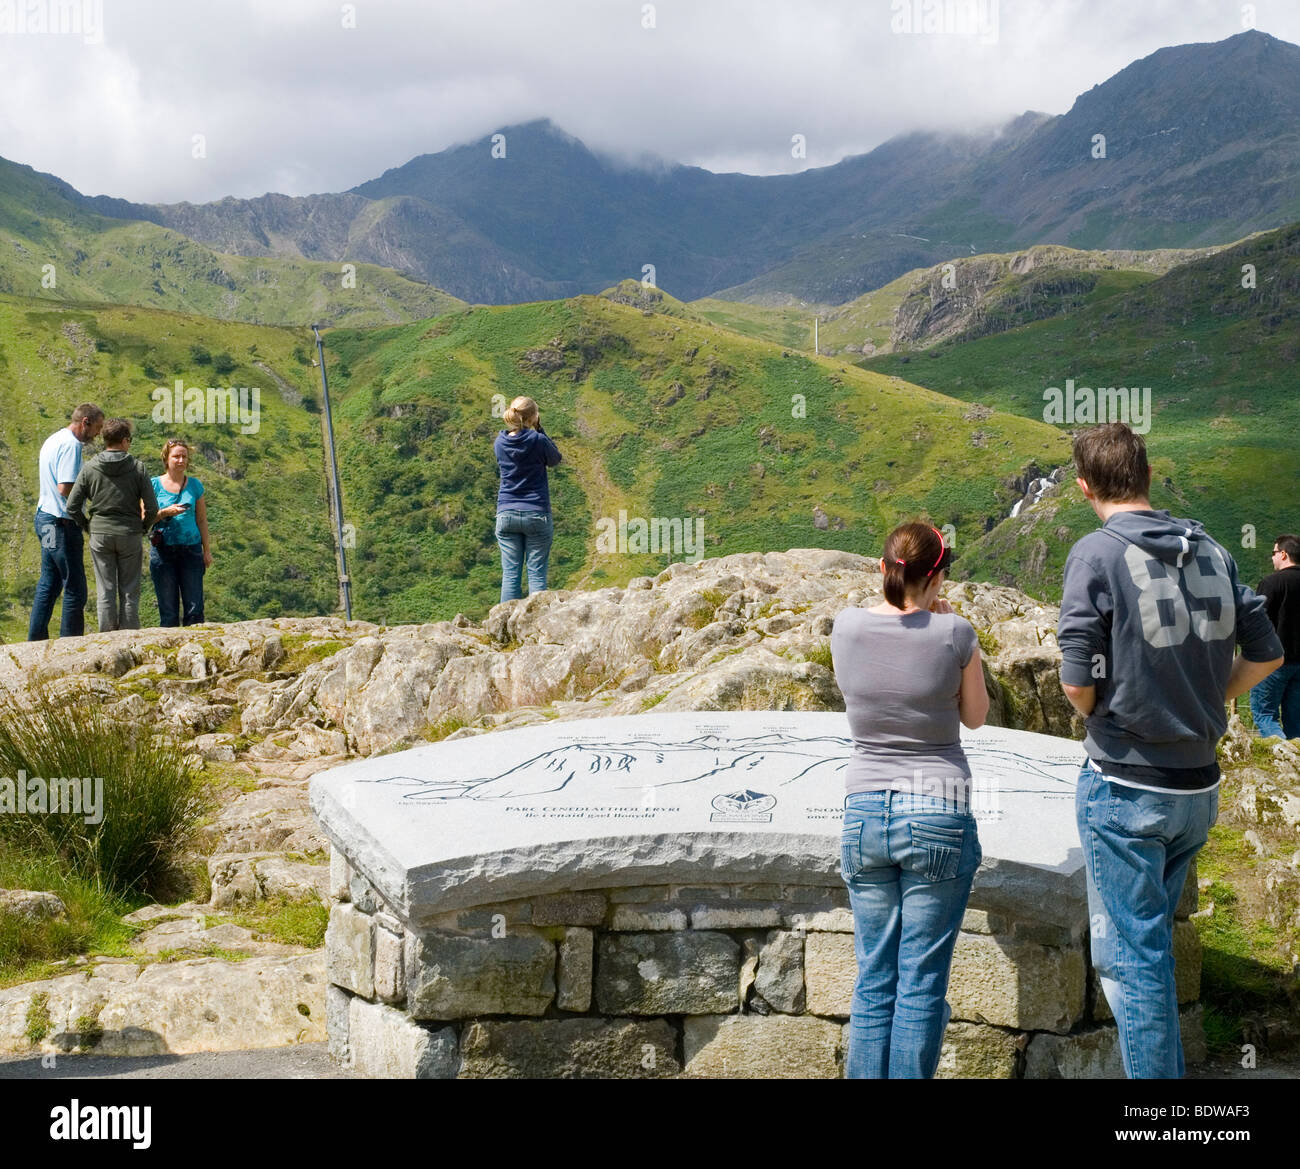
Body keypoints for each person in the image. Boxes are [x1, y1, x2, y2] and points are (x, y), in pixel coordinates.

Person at [1057, 423, 1282, 1079]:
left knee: (1133, 964)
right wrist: (1216, 693)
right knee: (1148, 952)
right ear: (1148, 475)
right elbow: (1268, 651)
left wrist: (1098, 713)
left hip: (1127, 786)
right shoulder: (1212, 548)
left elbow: (1077, 679)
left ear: (1083, 487)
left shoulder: (1095, 554)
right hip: (1196, 790)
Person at [831, 521, 989, 1079]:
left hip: (865, 808)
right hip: (938, 806)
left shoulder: (845, 627)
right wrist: (947, 626)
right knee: (920, 985)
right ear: (938, 576)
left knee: (875, 979)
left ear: (883, 570)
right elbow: (974, 717)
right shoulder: (957, 634)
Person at [65, 418, 158, 632]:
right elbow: (152, 507)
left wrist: (88, 525)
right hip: (130, 533)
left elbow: (72, 506)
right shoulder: (138, 468)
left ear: (105, 440)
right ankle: (129, 638)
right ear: (125, 441)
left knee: (105, 589)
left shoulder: (90, 468)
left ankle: (106, 639)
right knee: (129, 591)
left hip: (100, 533)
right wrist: (143, 527)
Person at [28, 402, 104, 640]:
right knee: (75, 588)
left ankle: (35, 640)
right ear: (86, 423)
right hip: (62, 523)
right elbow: (66, 488)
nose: (98, 433)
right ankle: (69, 644)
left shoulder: (54, 439)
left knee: (49, 582)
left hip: (45, 519)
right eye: (97, 428)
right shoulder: (72, 445)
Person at [494, 396, 561, 603]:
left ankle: (503, 628)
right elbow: (555, 459)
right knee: (536, 574)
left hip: (506, 513)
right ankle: (535, 628)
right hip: (536, 513)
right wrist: (539, 429)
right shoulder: (538, 440)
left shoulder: (500, 442)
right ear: (533, 417)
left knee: (511, 576)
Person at [149, 439, 212, 626]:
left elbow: (201, 519)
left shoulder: (194, 485)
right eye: (176, 456)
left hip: (191, 549)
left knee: (195, 608)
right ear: (166, 459)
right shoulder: (154, 485)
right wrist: (165, 513)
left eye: (184, 456)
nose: (180, 460)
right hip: (163, 551)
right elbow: (144, 518)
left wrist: (206, 550)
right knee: (168, 610)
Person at [1248, 534, 1300, 739]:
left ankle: (1282, 757)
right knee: (1295, 720)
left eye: (1274, 553)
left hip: (1274, 661)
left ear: (1284, 554)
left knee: (1265, 714)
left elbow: (1257, 621)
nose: (1272, 558)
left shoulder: (1272, 583)